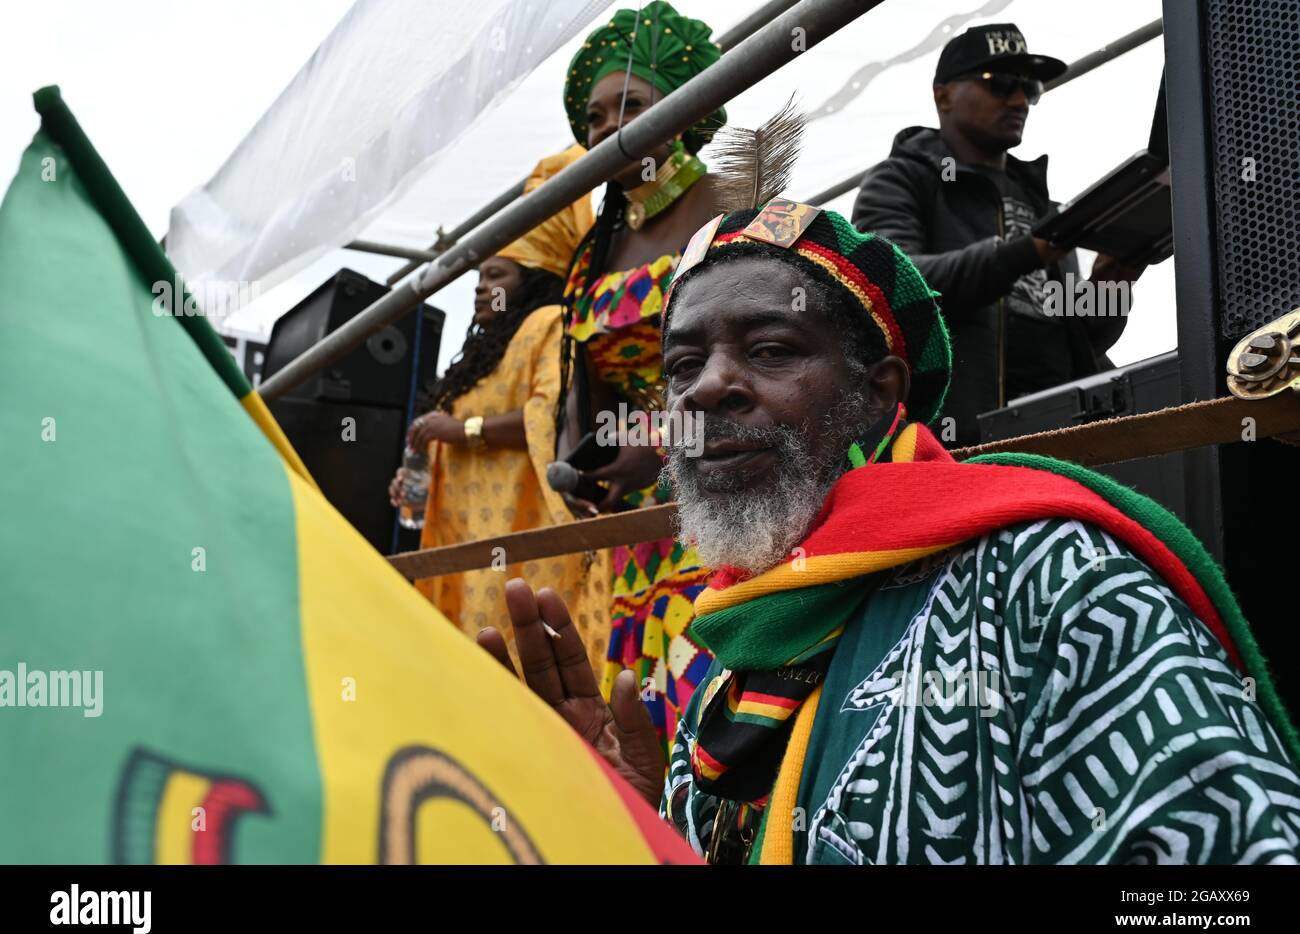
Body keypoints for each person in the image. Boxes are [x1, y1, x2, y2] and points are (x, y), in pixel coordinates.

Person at [478, 197, 1300, 864]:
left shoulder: (1047, 575)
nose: (708, 388)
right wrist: (638, 830)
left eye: (768, 349)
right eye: (683, 367)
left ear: (880, 392)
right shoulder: (729, 643)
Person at [555, 1, 727, 745]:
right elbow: (581, 382)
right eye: (595, 118)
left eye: (630, 105)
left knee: (718, 698)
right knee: (641, 706)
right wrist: (576, 467)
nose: (607, 129)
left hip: (729, 493)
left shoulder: (728, 202)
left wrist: (663, 440)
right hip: (640, 523)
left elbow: (765, 356)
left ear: (681, 113)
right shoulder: (596, 248)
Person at [852, 23, 1144, 446]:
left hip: (1062, 432)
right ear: (943, 94)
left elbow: (1079, 334)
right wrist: (1024, 253)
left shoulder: (1044, 205)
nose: (1019, 99)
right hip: (960, 443)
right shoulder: (901, 180)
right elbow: (895, 284)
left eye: (1031, 88)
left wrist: (1109, 286)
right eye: (1000, 83)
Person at [390, 145, 603, 671]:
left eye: (498, 277)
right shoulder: (480, 359)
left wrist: (461, 430)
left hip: (514, 539)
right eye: (479, 279)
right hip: (460, 544)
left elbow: (546, 418)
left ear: (531, 282)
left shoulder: (546, 324)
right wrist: (420, 480)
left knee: (502, 667)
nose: (483, 289)